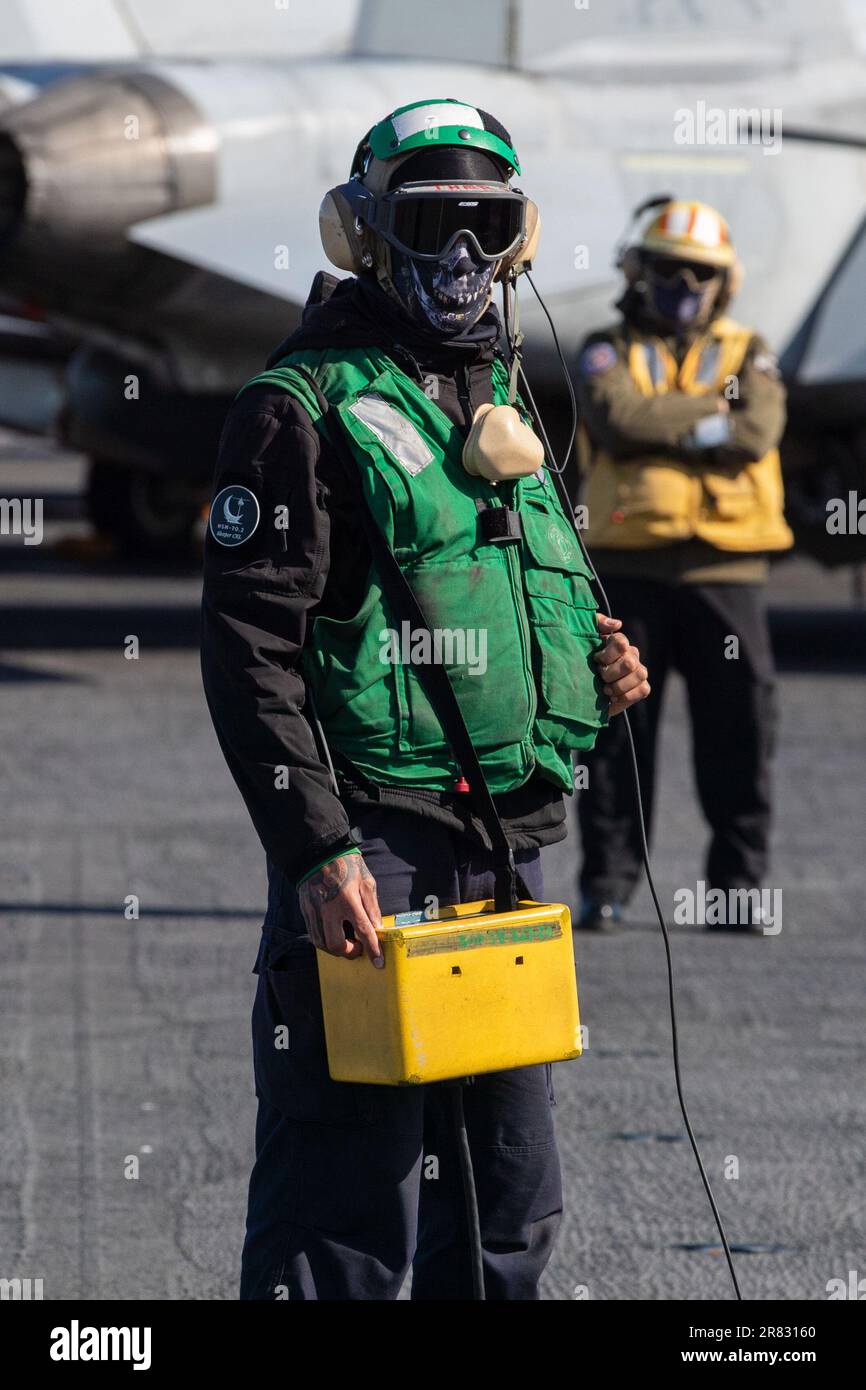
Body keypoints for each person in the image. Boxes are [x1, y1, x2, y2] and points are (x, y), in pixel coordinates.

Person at [200, 98, 649, 1301]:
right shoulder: (300, 408)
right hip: (373, 852)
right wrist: (315, 851)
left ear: (520, 239)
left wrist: (590, 671)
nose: (459, 259)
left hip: (506, 847)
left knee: (504, 1201)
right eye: (427, 224)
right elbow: (250, 651)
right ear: (359, 234)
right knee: (342, 1209)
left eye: (484, 227)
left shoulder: (498, 392)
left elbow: (510, 595)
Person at [575, 200, 792, 933]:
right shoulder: (603, 347)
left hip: (726, 577)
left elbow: (757, 428)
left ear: (723, 282)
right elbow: (615, 418)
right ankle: (605, 888)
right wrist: (708, 419)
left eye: (701, 273)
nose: (685, 284)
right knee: (614, 739)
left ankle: (736, 892)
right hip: (625, 570)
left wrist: (663, 416)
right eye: (670, 270)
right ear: (637, 271)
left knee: (740, 735)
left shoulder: (750, 349)